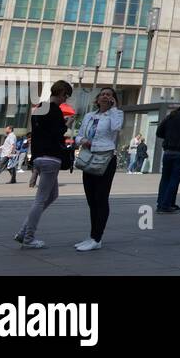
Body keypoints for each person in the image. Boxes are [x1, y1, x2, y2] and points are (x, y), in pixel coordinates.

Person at [15, 81, 75, 249]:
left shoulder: (40, 107)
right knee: (41, 200)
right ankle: (28, 237)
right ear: (62, 92)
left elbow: (40, 133)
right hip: (51, 157)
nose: (65, 100)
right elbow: (57, 133)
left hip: (39, 156)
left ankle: (23, 232)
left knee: (52, 195)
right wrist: (66, 124)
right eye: (66, 96)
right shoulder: (55, 110)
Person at [74, 87, 124, 252]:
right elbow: (78, 135)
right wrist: (84, 141)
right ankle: (92, 236)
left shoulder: (116, 114)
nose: (105, 96)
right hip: (88, 157)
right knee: (91, 199)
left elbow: (116, 129)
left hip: (105, 158)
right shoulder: (89, 116)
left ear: (113, 99)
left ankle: (97, 237)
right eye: (102, 94)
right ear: (97, 99)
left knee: (101, 198)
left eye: (109, 95)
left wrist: (114, 108)